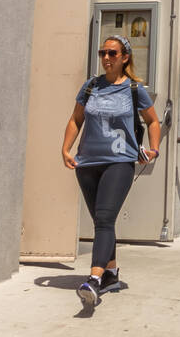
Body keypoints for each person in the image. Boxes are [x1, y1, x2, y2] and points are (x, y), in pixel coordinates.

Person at [61, 36, 160, 309]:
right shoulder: (91, 86)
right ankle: (111, 274)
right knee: (102, 222)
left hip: (119, 161)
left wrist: (154, 149)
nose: (106, 57)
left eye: (112, 53)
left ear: (125, 57)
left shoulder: (133, 89)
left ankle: (93, 279)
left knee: (105, 218)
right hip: (87, 163)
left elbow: (153, 121)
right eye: (103, 52)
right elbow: (76, 119)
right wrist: (66, 149)